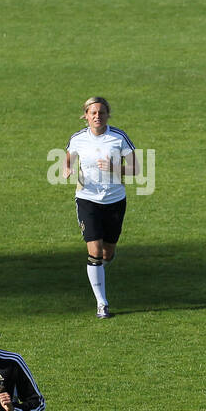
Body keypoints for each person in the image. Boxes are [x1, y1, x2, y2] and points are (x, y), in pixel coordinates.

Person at [62, 96, 136, 319]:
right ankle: (102, 304)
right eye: (92, 113)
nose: (97, 116)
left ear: (107, 115)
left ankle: (98, 272)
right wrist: (67, 169)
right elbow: (68, 158)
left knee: (107, 253)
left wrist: (115, 167)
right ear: (85, 115)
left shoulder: (118, 137)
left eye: (101, 112)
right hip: (87, 199)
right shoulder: (77, 139)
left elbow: (136, 169)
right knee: (94, 252)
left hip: (114, 201)